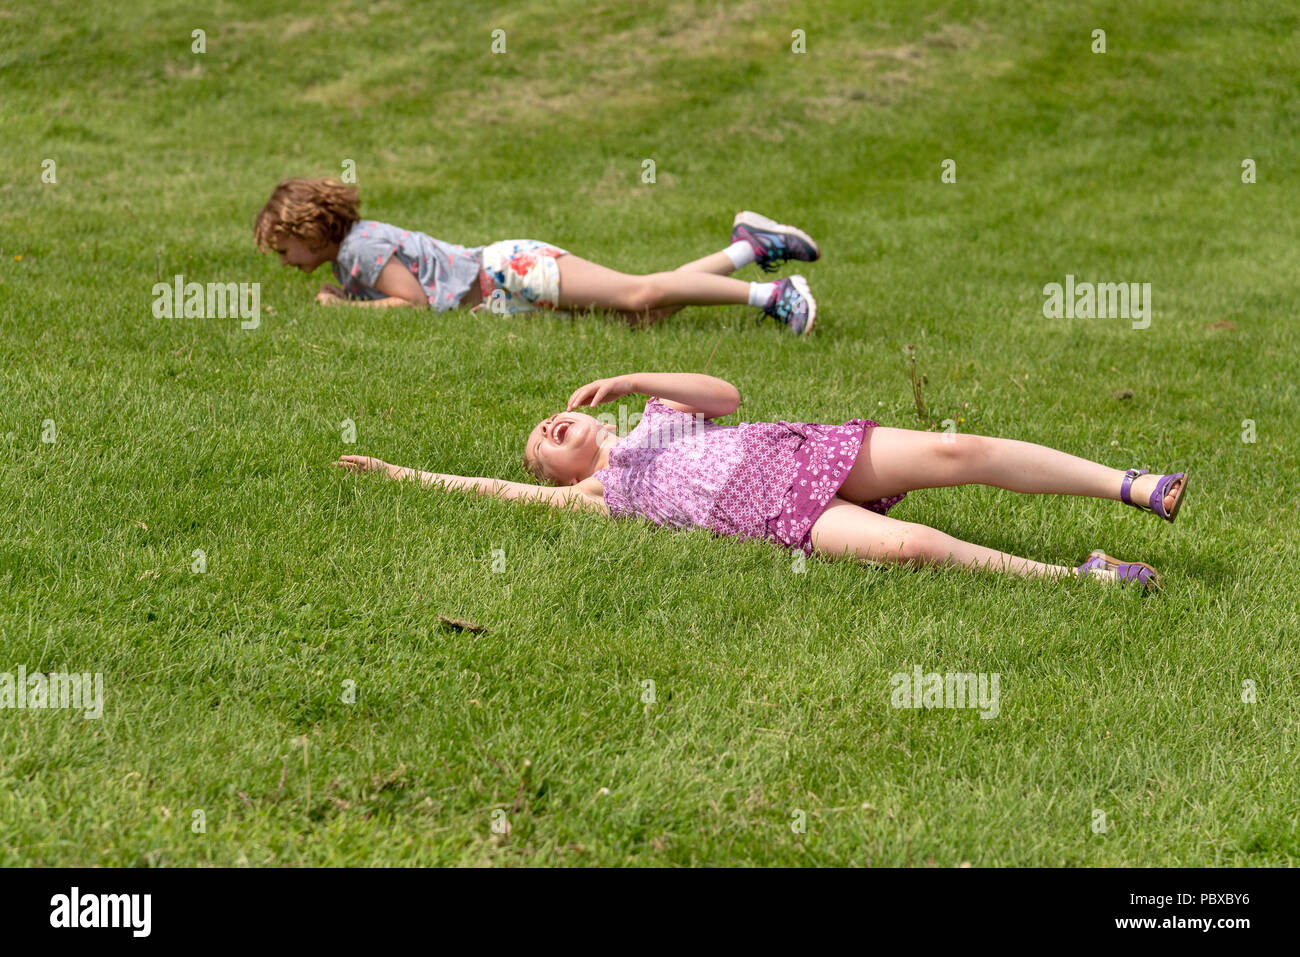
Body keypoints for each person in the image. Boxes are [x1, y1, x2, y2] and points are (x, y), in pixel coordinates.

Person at [335, 372, 1188, 587]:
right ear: (560, 470)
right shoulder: (600, 492)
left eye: (551, 417)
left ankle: (1132, 483)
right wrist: (394, 471)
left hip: (798, 454)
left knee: (952, 455)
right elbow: (492, 492)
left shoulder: (658, 413)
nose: (550, 430)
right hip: (778, 518)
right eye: (541, 444)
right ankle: (1083, 578)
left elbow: (729, 395)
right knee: (903, 546)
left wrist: (631, 380)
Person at [254, 178, 821, 333]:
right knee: (645, 310)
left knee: (639, 293)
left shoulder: (358, 250)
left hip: (507, 271)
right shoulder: (349, 256)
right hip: (504, 294)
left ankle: (775, 295)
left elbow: (414, 305)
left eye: (286, 248)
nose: (284, 261)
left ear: (310, 227)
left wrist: (341, 308)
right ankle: (753, 245)